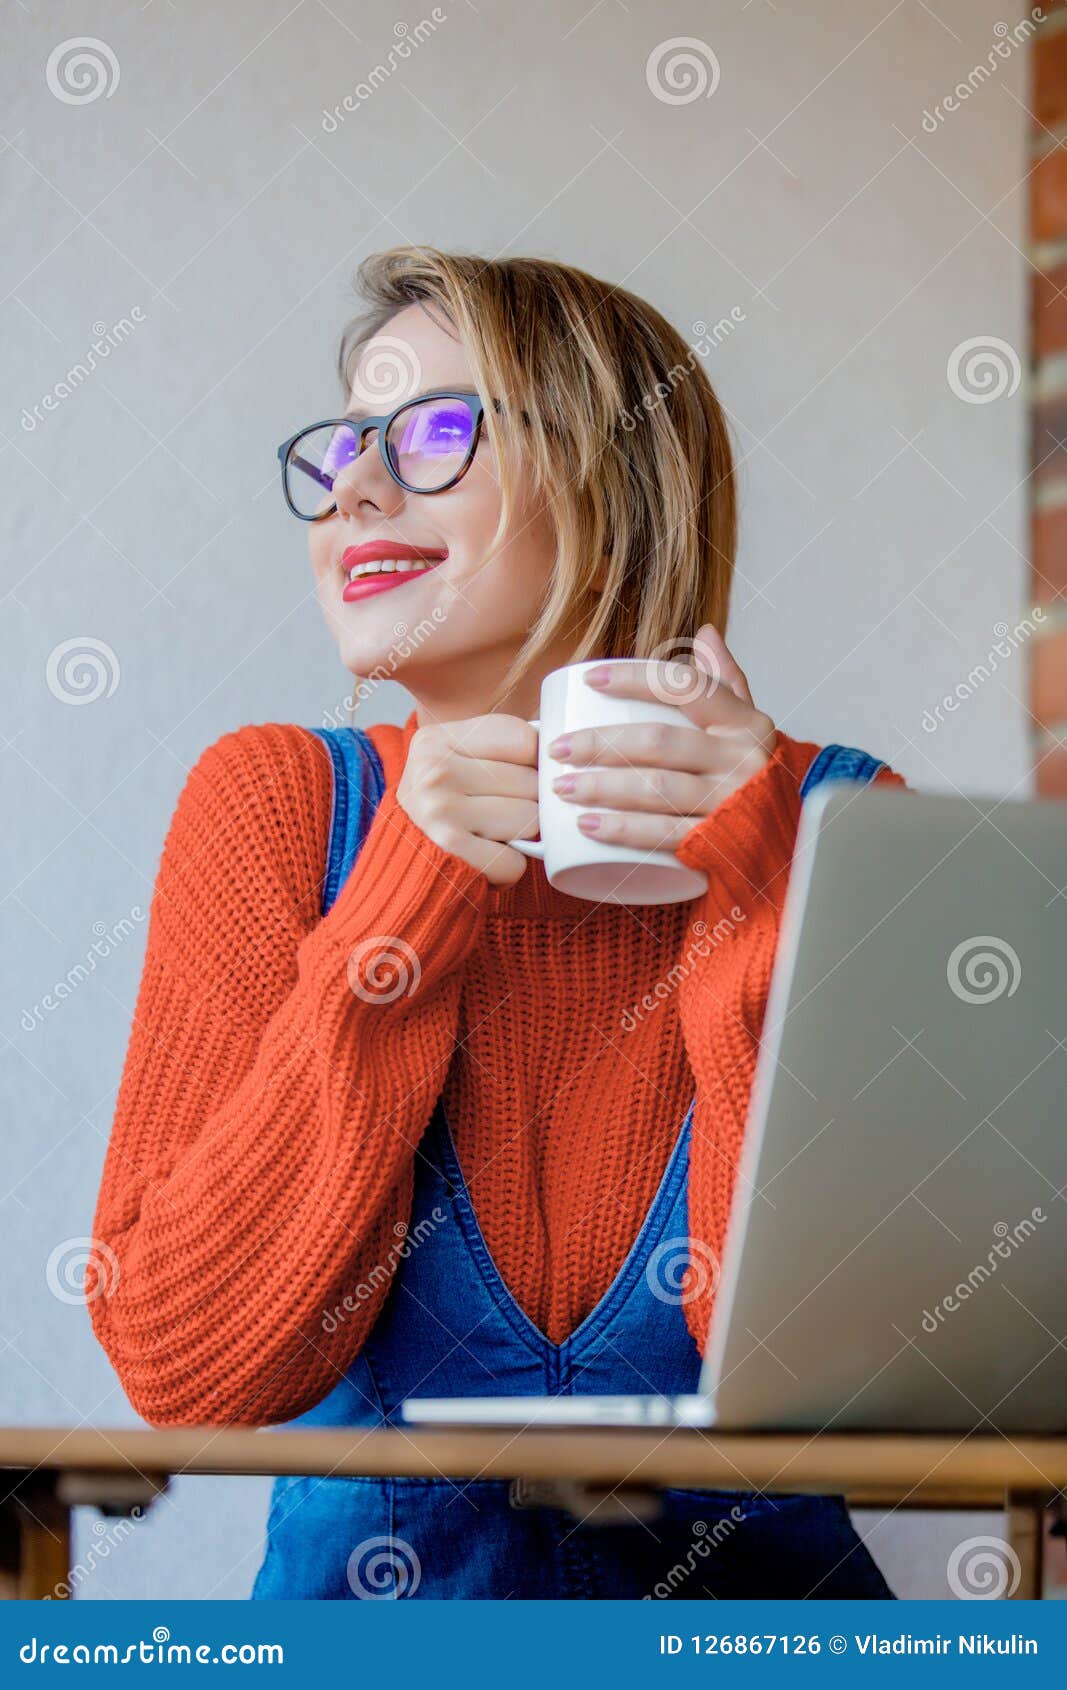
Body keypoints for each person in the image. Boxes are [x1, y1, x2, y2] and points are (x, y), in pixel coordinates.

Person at [88, 247, 902, 1599]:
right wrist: (400, 912)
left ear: (614, 473)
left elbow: (860, 1390)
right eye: (346, 444)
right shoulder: (281, 804)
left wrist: (760, 909)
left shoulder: (839, 820)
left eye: (436, 433)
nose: (353, 487)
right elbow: (188, 1362)